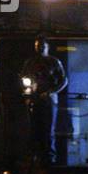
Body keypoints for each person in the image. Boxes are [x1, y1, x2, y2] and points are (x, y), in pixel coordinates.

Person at [20, 36, 67, 164]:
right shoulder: (30, 63)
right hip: (34, 99)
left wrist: (50, 92)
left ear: (47, 47)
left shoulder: (54, 62)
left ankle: (50, 158)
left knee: (49, 130)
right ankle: (34, 157)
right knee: (33, 128)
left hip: (49, 100)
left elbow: (64, 80)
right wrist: (28, 92)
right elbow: (23, 78)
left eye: (42, 46)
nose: (40, 48)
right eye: (37, 46)